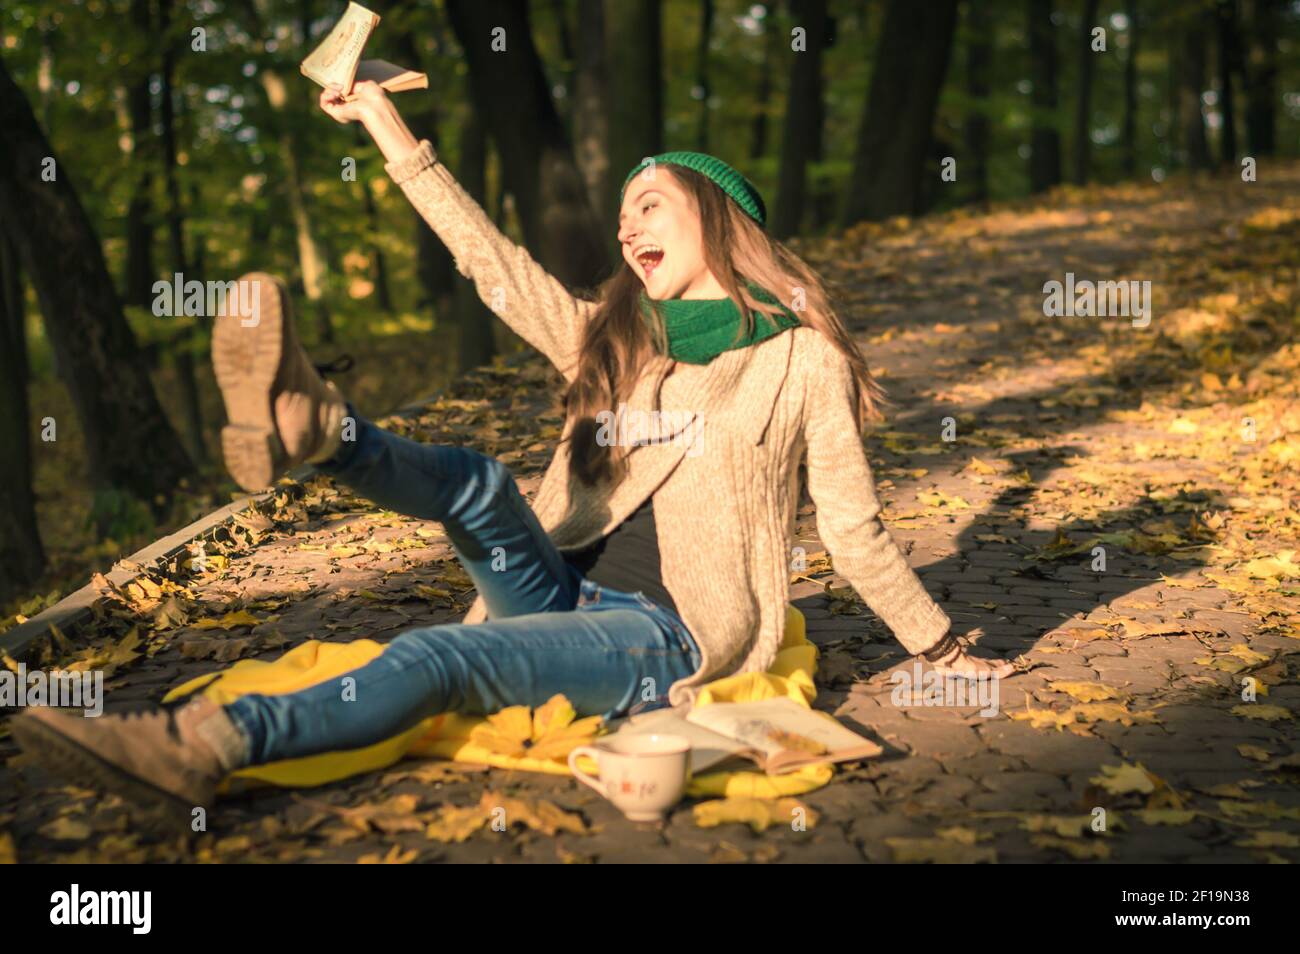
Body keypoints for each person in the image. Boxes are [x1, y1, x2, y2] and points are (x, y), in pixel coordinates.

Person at [13, 81, 1012, 828]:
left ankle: (194, 748)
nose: (625, 227)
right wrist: (385, 129)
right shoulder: (622, 339)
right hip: (551, 584)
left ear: (716, 214)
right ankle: (317, 429)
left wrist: (944, 651)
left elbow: (851, 525)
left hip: (660, 637)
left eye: (647, 205)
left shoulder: (801, 362)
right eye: (621, 214)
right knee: (481, 484)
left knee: (438, 659)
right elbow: (494, 268)